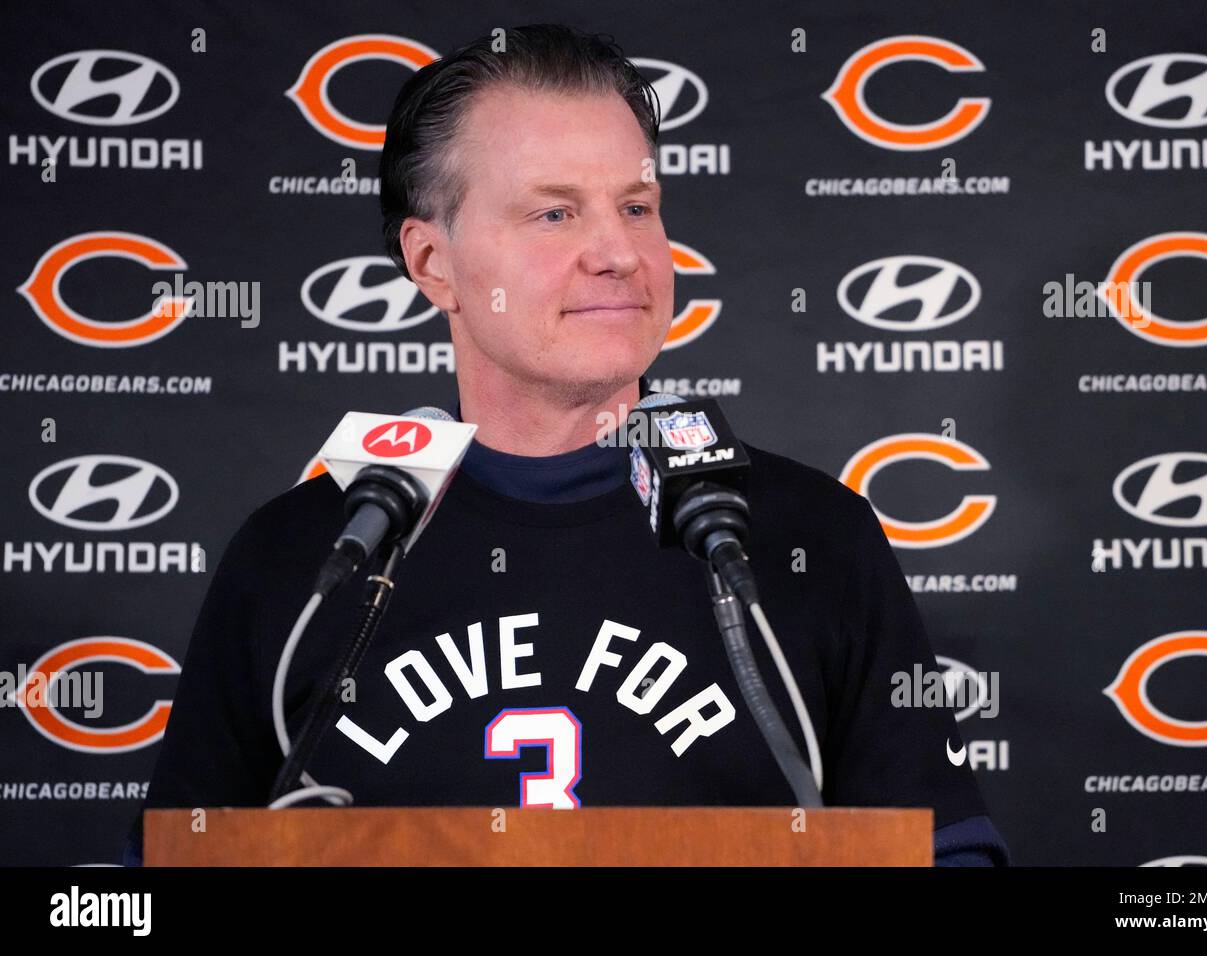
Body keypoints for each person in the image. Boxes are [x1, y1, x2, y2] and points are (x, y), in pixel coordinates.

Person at [123, 23, 1008, 866]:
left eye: (636, 205)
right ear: (433, 263)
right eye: (554, 215)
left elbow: (945, 852)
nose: (618, 252)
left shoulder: (811, 534)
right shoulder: (305, 554)